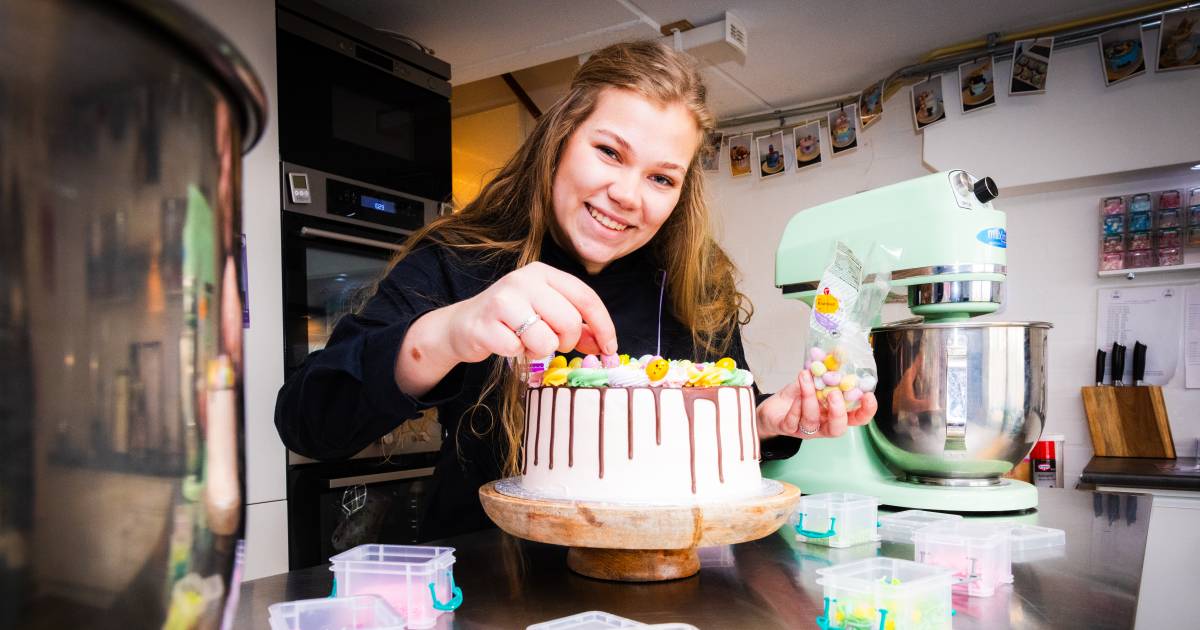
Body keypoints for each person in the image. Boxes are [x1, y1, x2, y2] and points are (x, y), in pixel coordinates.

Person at [275, 40, 877, 541]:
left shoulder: (698, 284)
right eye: (609, 152)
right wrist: (452, 331)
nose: (627, 195)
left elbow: (710, 421)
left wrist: (769, 419)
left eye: (661, 177)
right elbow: (308, 421)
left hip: (666, 576)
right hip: (486, 582)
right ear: (561, 138)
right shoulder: (460, 261)